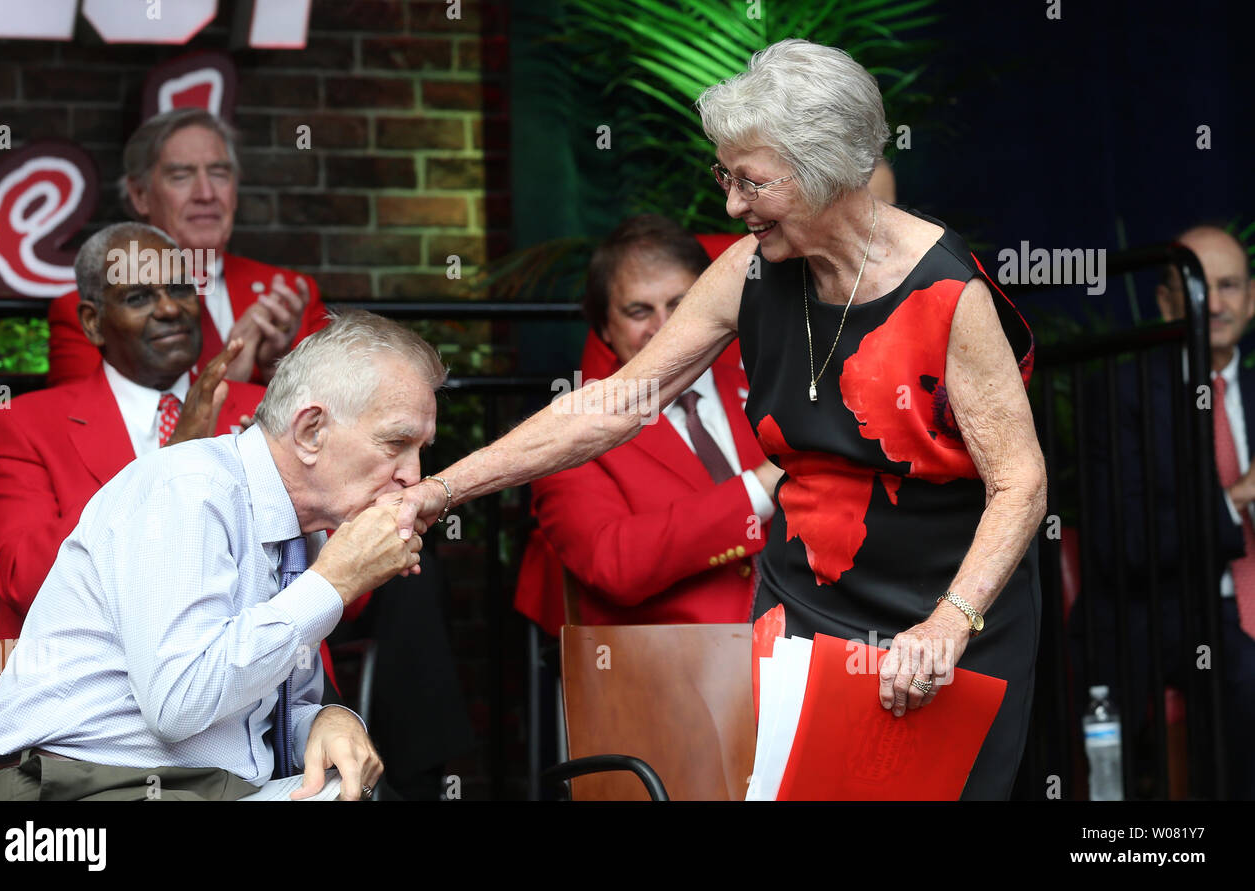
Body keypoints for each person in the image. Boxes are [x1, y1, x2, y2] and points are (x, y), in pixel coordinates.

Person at [391, 40, 1045, 800]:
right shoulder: (749, 271)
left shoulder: (947, 293)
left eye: (751, 181)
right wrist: (438, 491)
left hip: (949, 614)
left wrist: (949, 623)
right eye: (724, 176)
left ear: (826, 168)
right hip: (809, 606)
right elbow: (613, 406)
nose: (731, 204)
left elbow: (1021, 482)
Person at [0, 310, 440, 800]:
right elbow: (180, 703)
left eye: (421, 449)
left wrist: (323, 718)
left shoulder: (307, 530)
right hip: (79, 782)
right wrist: (333, 583)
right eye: (396, 443)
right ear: (310, 431)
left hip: (201, 785)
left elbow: (253, 713)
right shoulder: (191, 489)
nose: (413, 475)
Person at [0, 222, 265, 639]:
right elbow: (23, 581)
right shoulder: (24, 425)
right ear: (93, 323)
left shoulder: (263, 408)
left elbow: (340, 584)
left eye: (181, 289)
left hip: (255, 680)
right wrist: (168, 462)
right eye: (139, 297)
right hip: (93, 685)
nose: (171, 309)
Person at [514, 214, 780, 628]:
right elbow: (613, 565)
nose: (664, 327)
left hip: (807, 649)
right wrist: (756, 490)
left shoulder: (771, 389)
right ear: (603, 328)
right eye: (639, 311)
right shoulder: (572, 431)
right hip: (669, 675)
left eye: (681, 303)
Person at [1077, 224, 1255, 799]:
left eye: (1230, 287)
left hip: (1231, 613)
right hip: (1149, 610)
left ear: (1252, 299)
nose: (1218, 304)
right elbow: (1123, 546)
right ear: (1165, 303)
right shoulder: (1121, 392)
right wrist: (1237, 500)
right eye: (1199, 287)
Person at [46, 107, 328, 387]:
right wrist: (222, 382)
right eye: (181, 176)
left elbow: (341, 420)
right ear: (140, 195)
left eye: (219, 174)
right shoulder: (95, 310)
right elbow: (85, 427)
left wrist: (277, 371)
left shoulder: (290, 294)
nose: (206, 194)